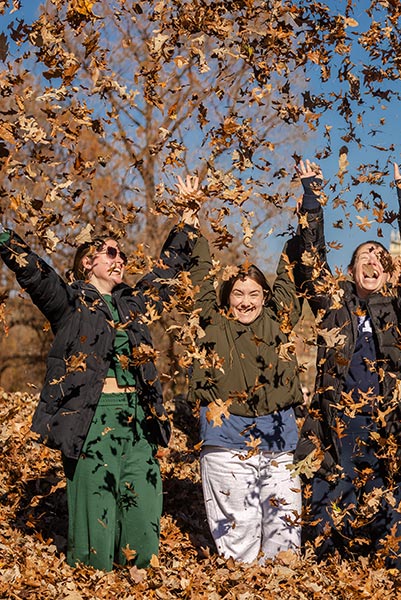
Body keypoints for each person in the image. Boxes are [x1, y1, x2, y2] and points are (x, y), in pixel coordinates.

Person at [0, 184, 199, 570]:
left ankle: (142, 581)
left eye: (121, 253)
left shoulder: (132, 303)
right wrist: (5, 237)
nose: (119, 258)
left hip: (137, 418)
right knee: (96, 512)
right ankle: (94, 582)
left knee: (143, 507)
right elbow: (35, 273)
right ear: (87, 262)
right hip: (92, 419)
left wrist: (187, 222)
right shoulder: (70, 302)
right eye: (110, 252)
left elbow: (166, 273)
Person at [294, 157, 401, 569]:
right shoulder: (334, 305)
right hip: (336, 427)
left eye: (379, 260)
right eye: (363, 259)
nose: (372, 264)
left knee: (390, 517)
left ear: (388, 274)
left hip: (386, 426)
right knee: (328, 517)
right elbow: (312, 257)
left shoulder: (400, 308)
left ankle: (392, 578)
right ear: (350, 270)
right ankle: (326, 580)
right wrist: (313, 196)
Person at [186, 177, 305, 563]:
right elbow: (200, 276)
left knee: (285, 529)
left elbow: (291, 272)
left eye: (254, 293)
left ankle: (281, 590)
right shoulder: (213, 324)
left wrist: (307, 222)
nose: (246, 300)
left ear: (265, 298)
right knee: (239, 531)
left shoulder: (277, 320)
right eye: (238, 292)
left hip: (277, 436)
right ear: (226, 298)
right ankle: (243, 587)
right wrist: (191, 221)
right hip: (227, 440)